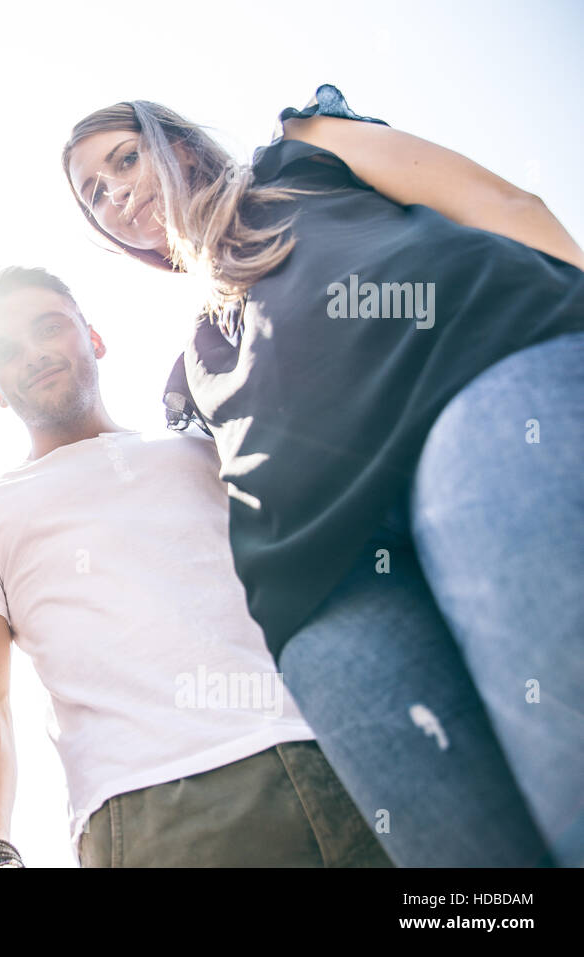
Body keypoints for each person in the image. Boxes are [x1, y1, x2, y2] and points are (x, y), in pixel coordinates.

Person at [61, 83, 584, 866]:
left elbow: (500, 201)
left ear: (181, 146)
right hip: (324, 593)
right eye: (93, 193)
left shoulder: (305, 148)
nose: (114, 194)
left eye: (124, 159)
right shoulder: (191, 366)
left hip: (472, 398)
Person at [0, 266, 389, 868]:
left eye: (49, 328)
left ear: (93, 338)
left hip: (336, 757)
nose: (34, 355)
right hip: (150, 806)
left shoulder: (207, 449)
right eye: (7, 351)